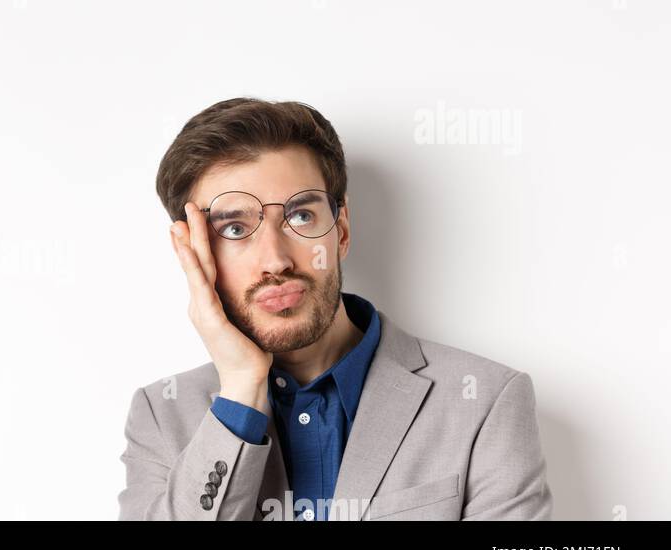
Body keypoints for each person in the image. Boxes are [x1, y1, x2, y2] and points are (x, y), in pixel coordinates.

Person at [117, 97, 552, 521]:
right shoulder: (161, 416)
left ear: (340, 232)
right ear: (193, 253)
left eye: (300, 217)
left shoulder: (483, 402)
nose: (275, 261)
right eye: (234, 228)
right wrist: (240, 391)